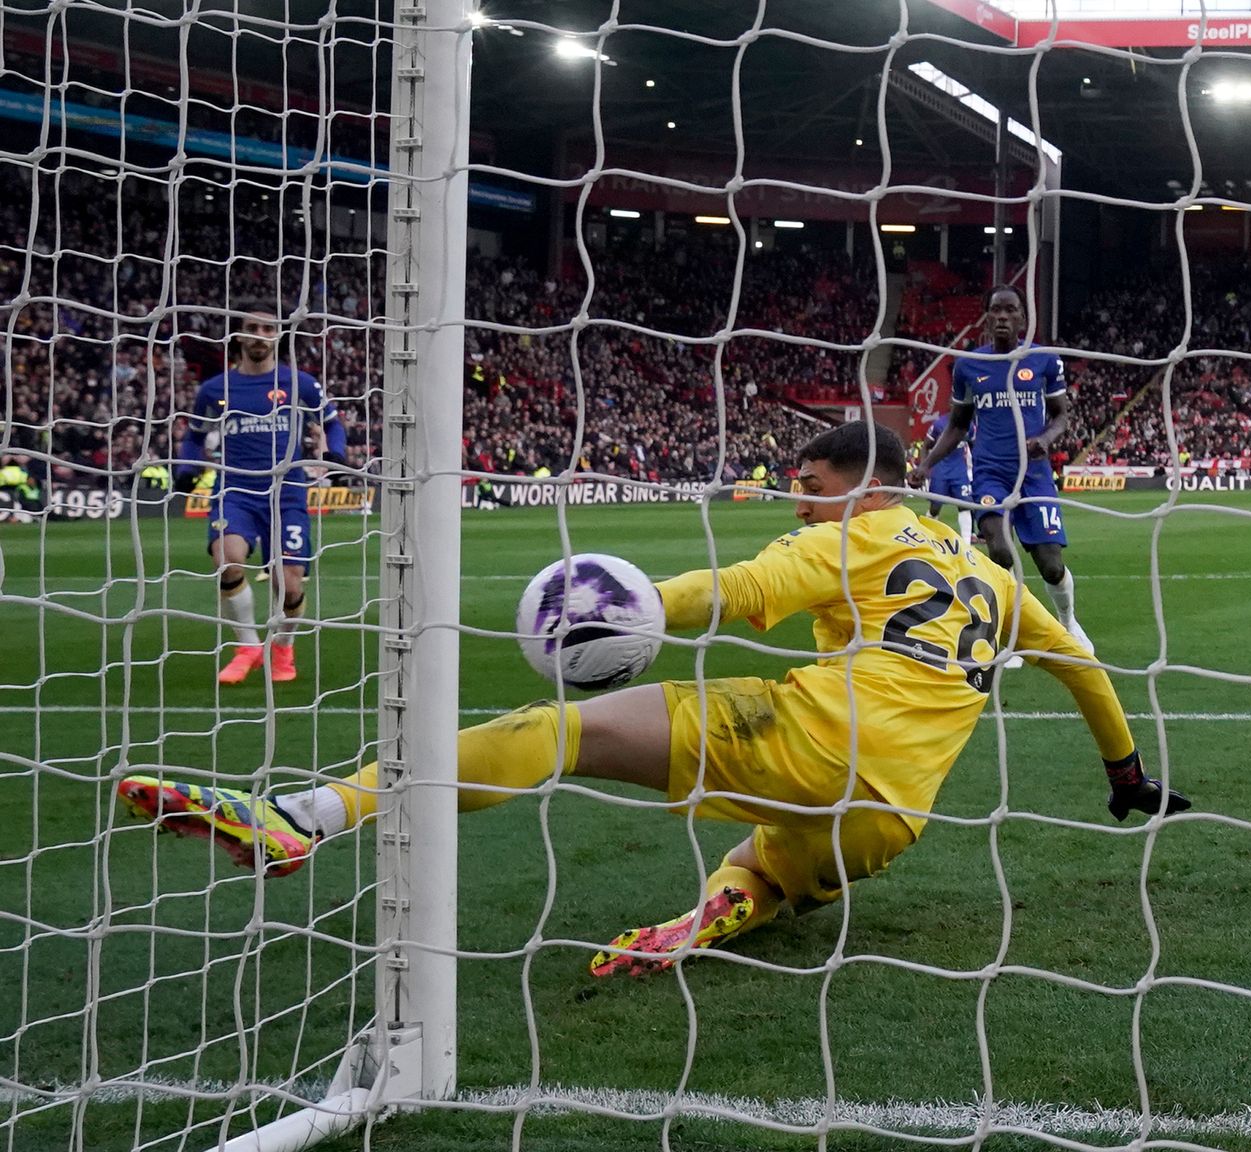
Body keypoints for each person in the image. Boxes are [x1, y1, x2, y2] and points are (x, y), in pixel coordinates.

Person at [117, 422, 1188, 977]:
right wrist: (1126, 777)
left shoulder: (849, 533)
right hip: (894, 816)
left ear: (858, 483)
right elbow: (1083, 670)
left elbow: (742, 591)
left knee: (557, 731)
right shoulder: (992, 580)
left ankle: (303, 820)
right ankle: (721, 913)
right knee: (774, 858)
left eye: (806, 484)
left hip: (809, 736)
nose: (795, 498)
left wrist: (621, 608)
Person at [910, 286, 1090, 653]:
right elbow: (958, 426)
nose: (1004, 317)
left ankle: (1068, 621)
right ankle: (1011, 636)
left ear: (1024, 318)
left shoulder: (1043, 360)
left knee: (1050, 565)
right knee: (1000, 551)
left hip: (1034, 473)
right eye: (997, 311)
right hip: (990, 472)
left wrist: (1045, 438)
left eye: (1011, 311)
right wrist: (926, 464)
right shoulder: (968, 365)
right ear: (988, 318)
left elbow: (1061, 415)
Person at [177, 309, 347, 684]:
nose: (260, 335)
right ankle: (249, 647)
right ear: (237, 336)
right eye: (251, 329)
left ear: (277, 336)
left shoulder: (299, 383)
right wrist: (186, 469)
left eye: (268, 329)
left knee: (288, 583)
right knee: (228, 558)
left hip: (287, 493)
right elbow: (193, 435)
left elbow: (334, 425)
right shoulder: (214, 389)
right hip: (235, 491)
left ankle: (283, 647)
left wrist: (335, 457)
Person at [919, 409, 976, 539]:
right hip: (940, 470)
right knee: (935, 506)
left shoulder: (969, 425)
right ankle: (927, 533)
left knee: (965, 505)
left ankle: (966, 544)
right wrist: (924, 467)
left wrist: (975, 465)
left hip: (960, 471)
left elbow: (974, 445)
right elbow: (925, 446)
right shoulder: (939, 424)